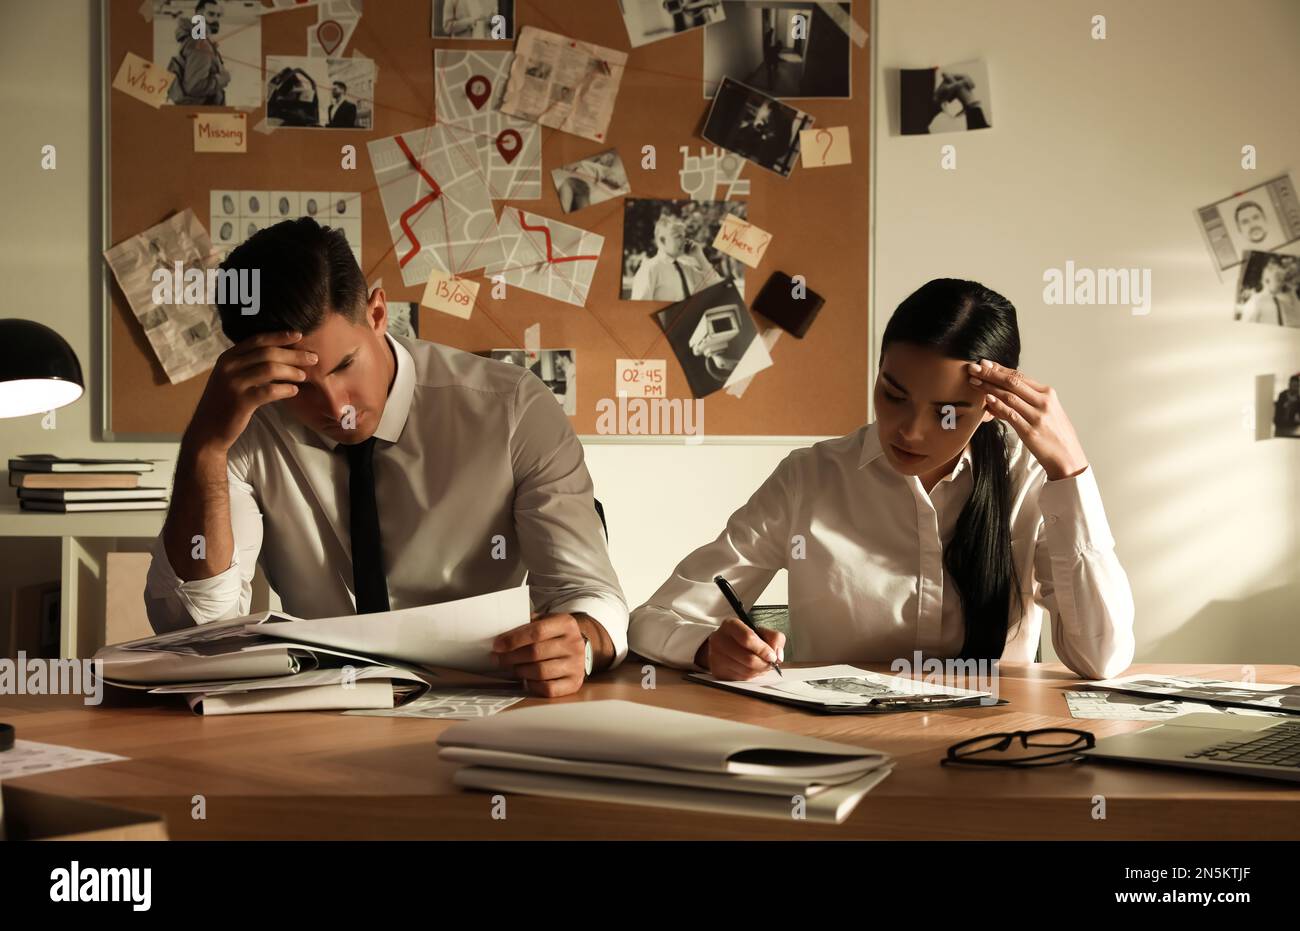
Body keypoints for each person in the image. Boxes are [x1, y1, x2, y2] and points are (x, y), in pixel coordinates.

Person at [145, 218, 628, 698]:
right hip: (315, 709)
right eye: (300, 386)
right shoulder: (244, 429)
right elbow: (199, 625)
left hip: (482, 697)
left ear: (378, 313)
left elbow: (589, 593)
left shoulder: (513, 410)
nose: (337, 408)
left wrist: (579, 643)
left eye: (345, 366)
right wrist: (205, 446)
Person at [629, 278, 1136, 682]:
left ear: (991, 408)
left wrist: (1071, 472)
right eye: (893, 395)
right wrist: (705, 648)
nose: (911, 431)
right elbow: (651, 620)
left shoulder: (1027, 482)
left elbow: (1101, 657)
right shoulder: (811, 478)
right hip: (839, 752)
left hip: (994, 755)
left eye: (947, 412)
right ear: (878, 372)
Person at [630, 214, 724, 300]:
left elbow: (718, 287)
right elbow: (638, 309)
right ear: (663, 240)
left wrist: (700, 256)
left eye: (684, 236)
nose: (684, 240)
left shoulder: (687, 266)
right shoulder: (650, 269)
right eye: (678, 236)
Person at [167, 0, 231, 106]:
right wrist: (222, 79)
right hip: (201, 110)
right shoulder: (199, 44)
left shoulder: (198, 40)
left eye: (218, 15)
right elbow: (194, 87)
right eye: (211, 14)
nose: (216, 19)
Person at [1238, 256, 1300, 325]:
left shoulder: (1279, 302)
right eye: (1278, 279)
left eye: (1282, 279)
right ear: (1267, 280)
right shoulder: (1255, 301)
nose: (1282, 283)